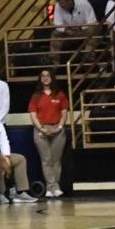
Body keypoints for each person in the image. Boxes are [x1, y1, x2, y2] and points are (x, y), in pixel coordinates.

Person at [28, 69, 69, 198]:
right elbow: (33, 114)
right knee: (46, 159)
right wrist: (41, 128)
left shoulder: (60, 95)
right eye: (43, 76)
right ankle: (51, 187)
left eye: (48, 75)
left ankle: (55, 186)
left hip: (57, 128)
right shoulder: (36, 96)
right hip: (41, 128)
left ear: (52, 78)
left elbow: (64, 112)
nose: (45, 78)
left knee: (56, 160)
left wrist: (60, 127)